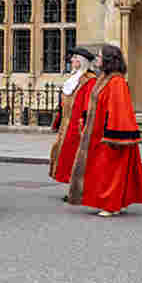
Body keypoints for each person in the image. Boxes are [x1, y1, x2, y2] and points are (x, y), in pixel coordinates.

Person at [67, 44, 142, 217]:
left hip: (109, 135)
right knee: (102, 170)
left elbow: (118, 110)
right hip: (96, 133)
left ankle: (111, 204)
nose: (98, 60)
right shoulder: (105, 78)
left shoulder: (117, 81)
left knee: (110, 171)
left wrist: (111, 135)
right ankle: (112, 202)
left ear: (109, 60)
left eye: (101, 57)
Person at [49, 47, 98, 185]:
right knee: (68, 156)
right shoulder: (74, 78)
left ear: (81, 61)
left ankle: (80, 188)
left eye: (75, 58)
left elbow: (88, 106)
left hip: (78, 127)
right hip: (67, 125)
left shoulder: (90, 80)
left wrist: (84, 126)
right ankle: (74, 186)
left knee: (78, 158)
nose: (71, 60)